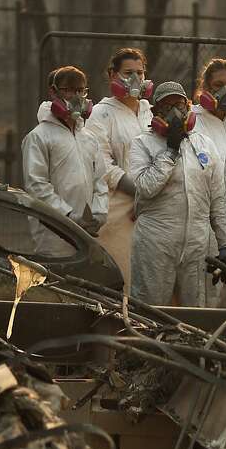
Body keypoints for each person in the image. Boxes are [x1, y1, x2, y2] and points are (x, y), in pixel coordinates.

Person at [127, 81, 226, 307]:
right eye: (167, 106)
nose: (175, 111)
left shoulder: (204, 143)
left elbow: (218, 198)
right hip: (156, 241)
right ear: (155, 111)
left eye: (179, 105)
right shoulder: (142, 144)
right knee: (150, 309)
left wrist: (224, 245)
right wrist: (170, 151)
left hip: (197, 243)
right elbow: (146, 188)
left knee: (195, 311)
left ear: (188, 106)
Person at [20, 66, 108, 250]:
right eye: (68, 90)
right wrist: (68, 216)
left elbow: (100, 181)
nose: (76, 97)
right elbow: (36, 186)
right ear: (53, 92)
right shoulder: (39, 137)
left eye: (80, 90)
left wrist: (99, 213)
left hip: (87, 232)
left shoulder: (89, 138)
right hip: (52, 233)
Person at [86, 47, 150, 289]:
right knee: (124, 277)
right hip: (119, 208)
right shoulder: (101, 113)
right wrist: (139, 192)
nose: (135, 79)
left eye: (139, 73)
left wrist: (151, 194)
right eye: (128, 73)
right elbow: (102, 164)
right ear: (112, 75)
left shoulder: (150, 111)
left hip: (152, 206)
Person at [192, 58, 226, 306]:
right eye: (217, 85)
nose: (225, 92)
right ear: (204, 88)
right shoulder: (193, 120)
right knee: (208, 294)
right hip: (206, 219)